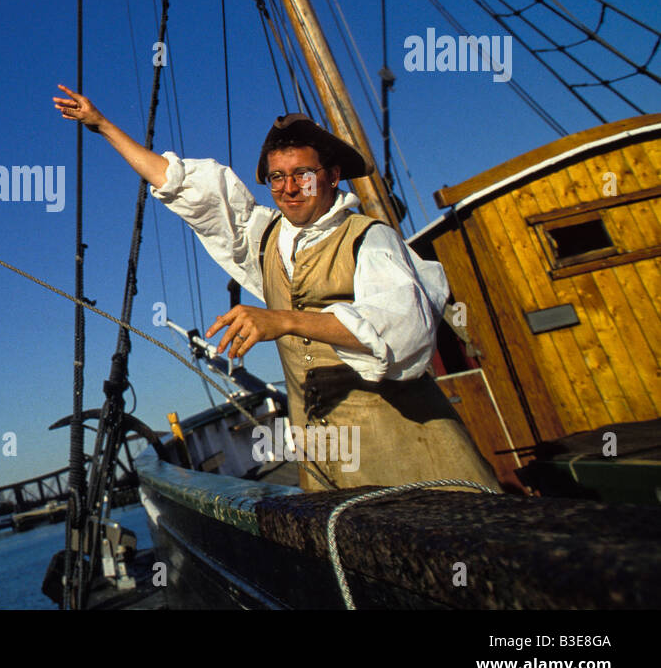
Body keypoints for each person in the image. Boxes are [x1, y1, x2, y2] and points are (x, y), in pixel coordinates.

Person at [52, 84, 501, 492]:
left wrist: (283, 319)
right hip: (329, 470)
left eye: (302, 175)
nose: (289, 189)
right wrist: (103, 125)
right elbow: (187, 189)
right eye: (277, 178)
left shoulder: (370, 237)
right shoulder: (266, 239)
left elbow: (406, 329)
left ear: (332, 176)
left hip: (410, 454)